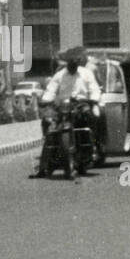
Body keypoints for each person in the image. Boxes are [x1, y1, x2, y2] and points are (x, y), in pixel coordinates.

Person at [34, 46, 101, 177]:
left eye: (76, 61)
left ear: (79, 62)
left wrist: (94, 99)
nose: (73, 64)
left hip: (82, 105)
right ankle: (44, 165)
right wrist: (45, 100)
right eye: (71, 62)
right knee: (49, 126)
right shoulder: (59, 75)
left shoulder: (86, 73)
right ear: (67, 63)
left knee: (94, 116)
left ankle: (95, 147)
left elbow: (94, 89)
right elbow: (51, 90)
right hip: (63, 107)